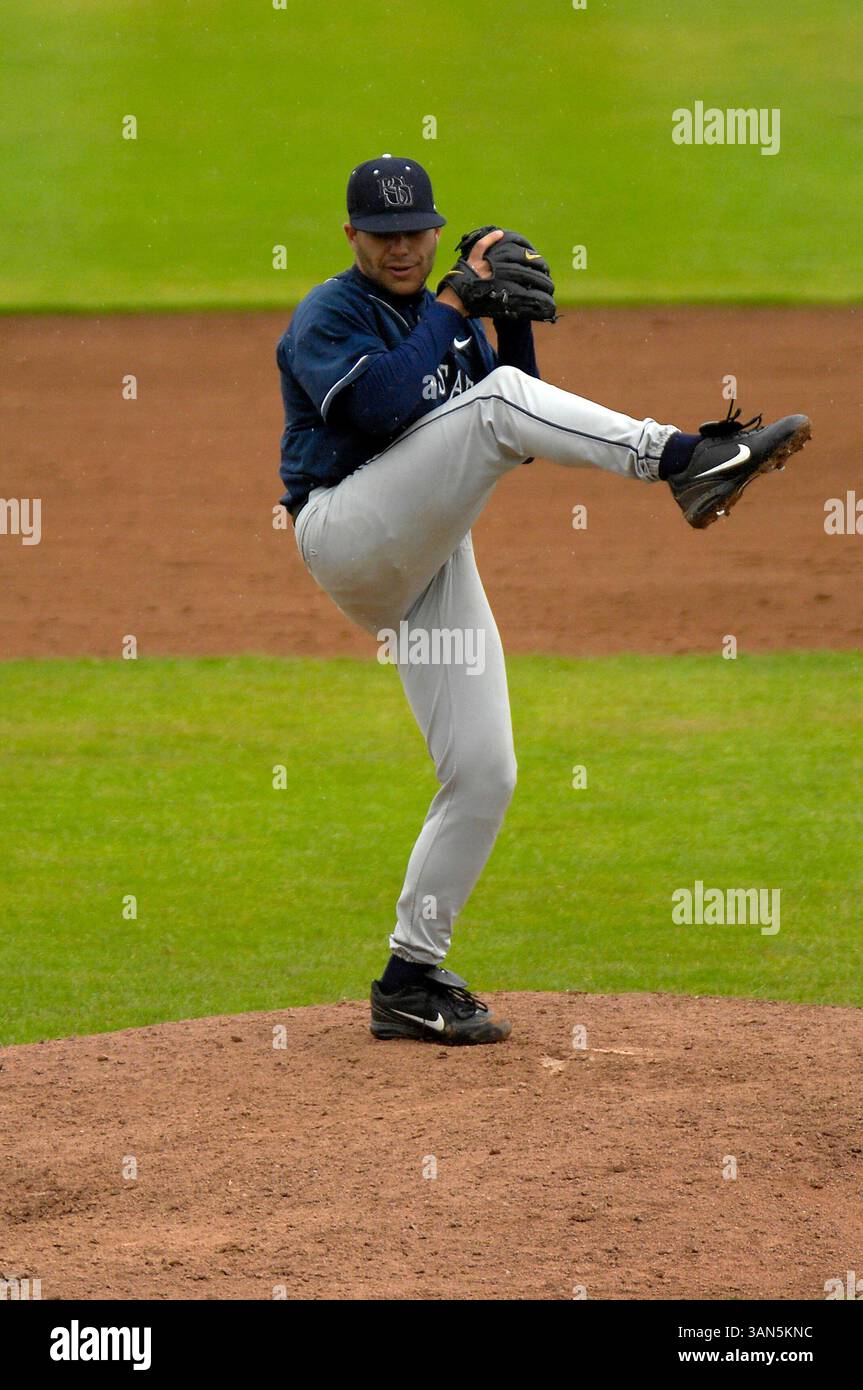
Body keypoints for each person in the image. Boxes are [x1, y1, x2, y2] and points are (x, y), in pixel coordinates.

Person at [275, 154, 811, 1046]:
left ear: (437, 232)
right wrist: (454, 307)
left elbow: (517, 428)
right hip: (349, 533)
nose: (401, 248)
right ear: (351, 237)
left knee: (484, 771)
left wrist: (503, 321)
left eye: (416, 233)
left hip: (424, 550)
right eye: (383, 235)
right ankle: (686, 461)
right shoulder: (328, 315)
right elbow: (375, 411)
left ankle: (409, 977)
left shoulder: (447, 312)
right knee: (497, 406)